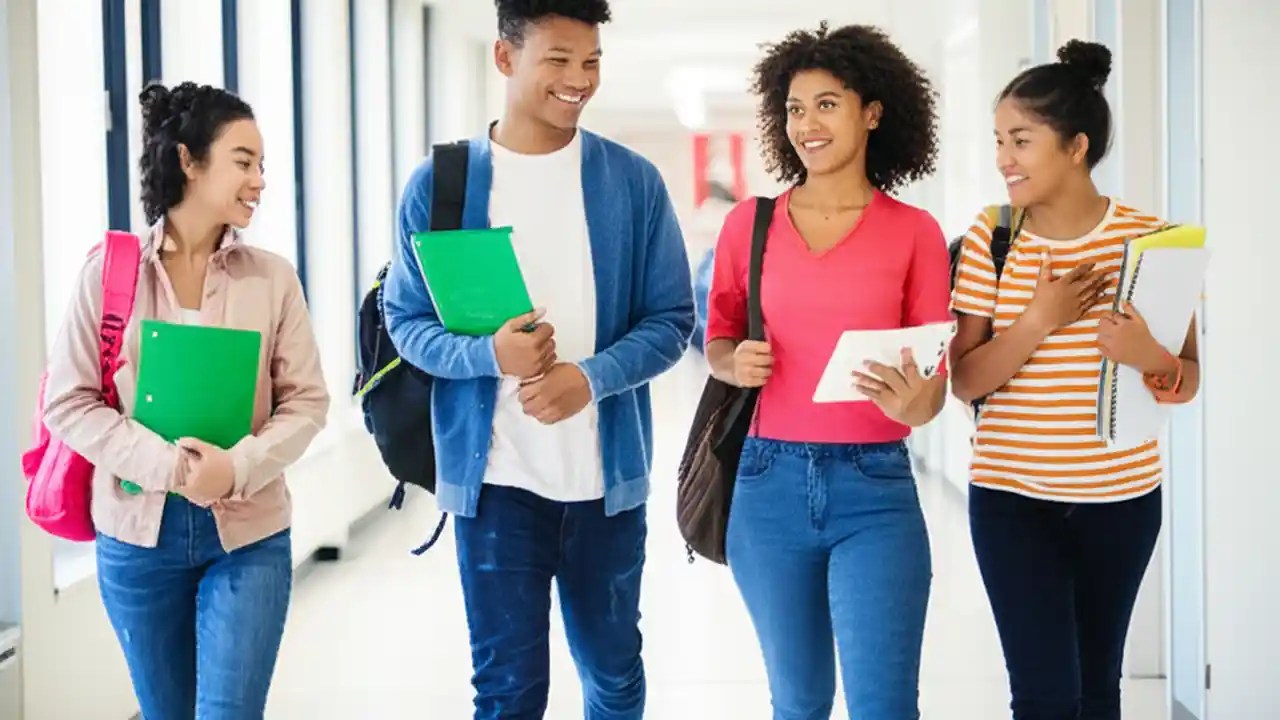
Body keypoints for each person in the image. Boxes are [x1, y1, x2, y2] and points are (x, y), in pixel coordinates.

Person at [382, 1, 693, 717]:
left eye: (591, 62)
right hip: (494, 485)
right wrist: (490, 354)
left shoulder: (633, 183)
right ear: (504, 58)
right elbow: (406, 323)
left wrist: (589, 378)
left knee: (614, 676)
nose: (578, 79)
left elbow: (673, 320)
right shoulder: (443, 186)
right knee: (507, 692)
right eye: (557, 60)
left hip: (604, 486)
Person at [41, 81, 329, 718]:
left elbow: (307, 402)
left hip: (248, 534)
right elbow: (69, 402)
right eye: (244, 162)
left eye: (262, 166)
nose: (260, 181)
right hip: (137, 538)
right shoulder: (110, 272)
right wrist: (172, 468)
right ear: (187, 161)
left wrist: (239, 467)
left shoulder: (273, 278)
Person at [703, 23, 950, 720]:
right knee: (799, 702)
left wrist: (915, 403)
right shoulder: (749, 225)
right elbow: (718, 338)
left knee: (884, 705)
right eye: (793, 108)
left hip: (875, 487)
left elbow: (934, 389)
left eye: (827, 104)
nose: (806, 124)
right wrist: (733, 361)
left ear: (872, 111)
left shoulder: (915, 232)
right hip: (766, 484)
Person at [949, 40, 1201, 719]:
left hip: (1120, 502)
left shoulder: (1154, 239)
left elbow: (1185, 380)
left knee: (1097, 690)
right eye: (1000, 140)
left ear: (1076, 146)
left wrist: (1150, 352)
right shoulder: (991, 236)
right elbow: (965, 382)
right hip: (1010, 501)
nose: (1003, 158)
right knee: (1043, 697)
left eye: (1021, 141)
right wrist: (1036, 322)